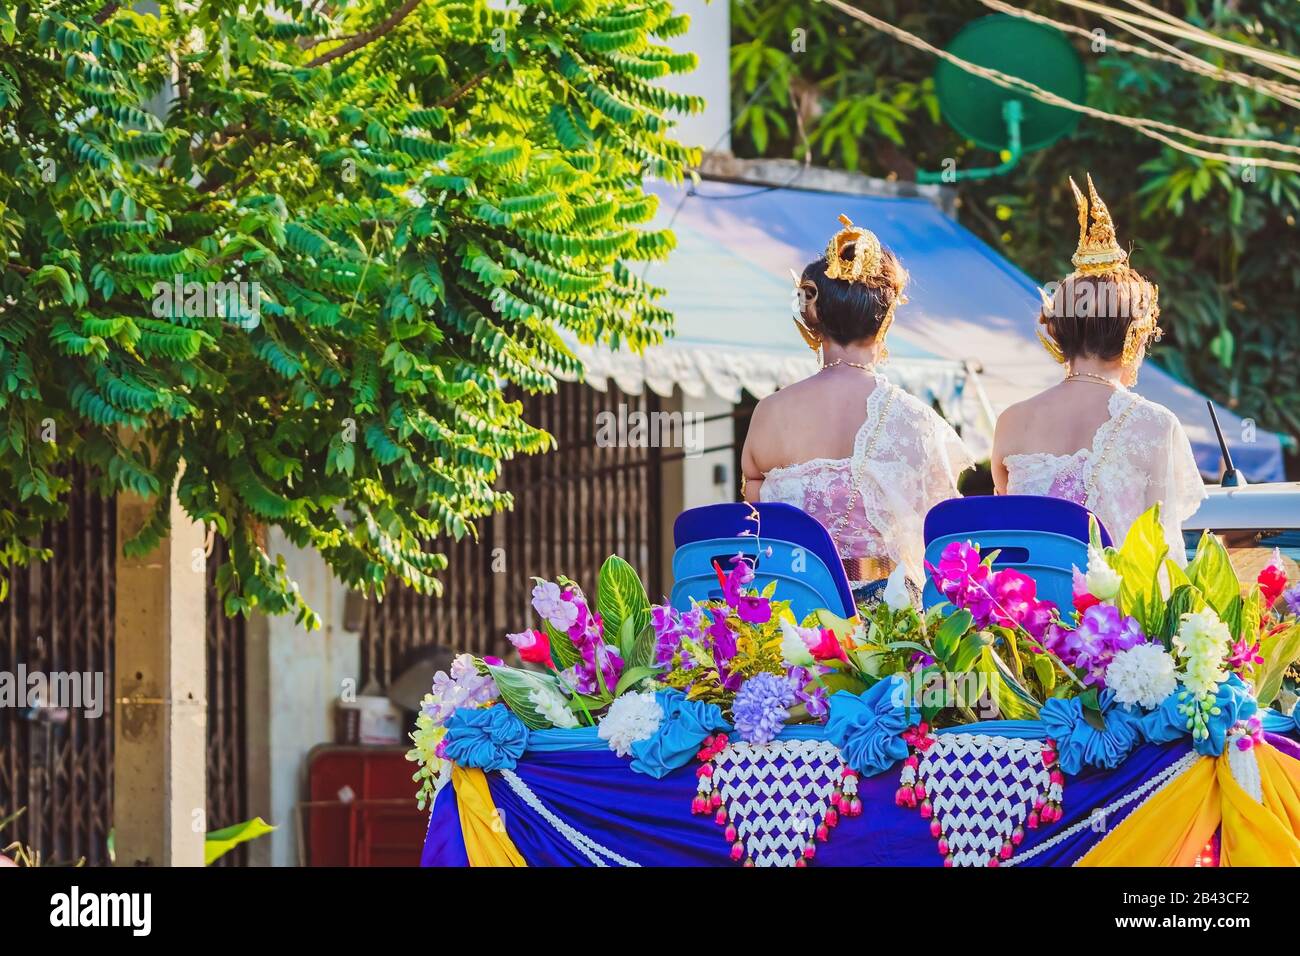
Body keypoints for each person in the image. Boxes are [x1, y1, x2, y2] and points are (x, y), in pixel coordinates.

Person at [741, 214, 973, 599]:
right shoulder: (917, 420)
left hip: (787, 615)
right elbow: (940, 537)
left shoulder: (769, 413)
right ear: (885, 319)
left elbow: (755, 517)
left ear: (812, 317)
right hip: (885, 625)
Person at [992, 175, 1206, 562]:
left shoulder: (1012, 421)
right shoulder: (1156, 424)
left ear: (1057, 332)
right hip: (1115, 621)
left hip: (1025, 619)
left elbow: (1012, 539)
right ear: (1134, 336)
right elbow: (1163, 554)